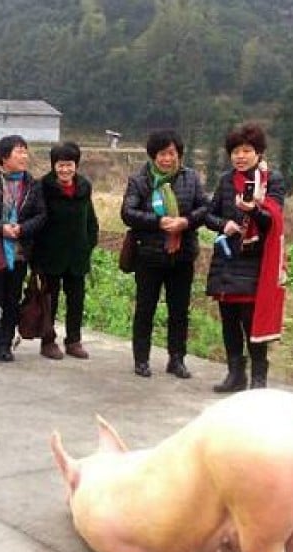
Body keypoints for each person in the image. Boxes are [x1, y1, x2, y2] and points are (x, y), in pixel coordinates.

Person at [204, 123, 287, 391]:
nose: (240, 156)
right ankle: (235, 375)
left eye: (246, 150)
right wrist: (223, 225)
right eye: (235, 151)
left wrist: (253, 211)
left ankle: (258, 380)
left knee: (252, 323)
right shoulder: (226, 181)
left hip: (254, 263)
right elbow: (209, 214)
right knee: (229, 322)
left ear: (258, 152)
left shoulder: (272, 180)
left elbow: (273, 220)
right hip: (227, 262)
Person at [121, 129, 209, 378]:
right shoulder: (140, 180)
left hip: (182, 255)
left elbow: (204, 208)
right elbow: (128, 212)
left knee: (179, 310)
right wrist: (158, 222)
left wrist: (185, 221)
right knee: (145, 309)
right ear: (153, 156)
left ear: (179, 155)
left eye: (171, 153)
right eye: (162, 154)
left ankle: (177, 359)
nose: (167, 159)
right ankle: (141, 359)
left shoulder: (190, 178)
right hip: (149, 255)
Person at [0, 134, 46, 365]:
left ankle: (6, 344)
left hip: (20, 251)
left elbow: (41, 215)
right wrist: (1, 229)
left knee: (12, 299)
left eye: (25, 151)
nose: (24, 156)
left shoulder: (33, 185)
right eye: (18, 151)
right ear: (4, 157)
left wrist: (21, 229)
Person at [33, 141, 99, 360]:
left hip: (77, 254)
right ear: (54, 165)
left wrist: (90, 241)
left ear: (76, 165)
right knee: (50, 300)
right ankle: (48, 341)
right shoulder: (43, 187)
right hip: (50, 254)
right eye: (60, 165)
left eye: (69, 164)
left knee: (76, 300)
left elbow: (90, 217)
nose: (65, 170)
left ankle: (73, 341)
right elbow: (37, 219)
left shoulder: (83, 186)